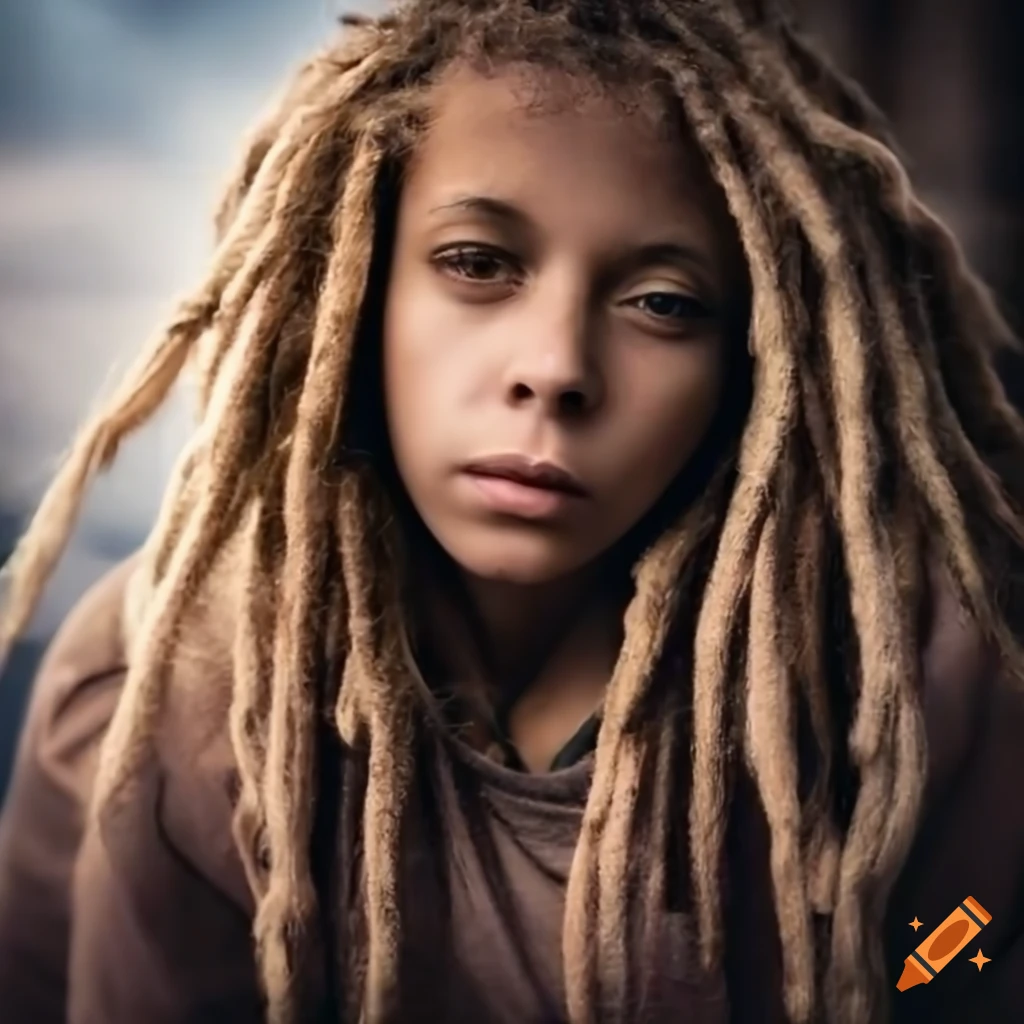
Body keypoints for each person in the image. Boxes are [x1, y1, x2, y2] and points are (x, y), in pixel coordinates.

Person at [0, 1, 1022, 1022]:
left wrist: (915, 985)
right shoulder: (172, 687)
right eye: (476, 263)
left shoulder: (908, 687)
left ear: (755, 358)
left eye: (663, 302)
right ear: (349, 289)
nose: (555, 369)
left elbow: (973, 942)